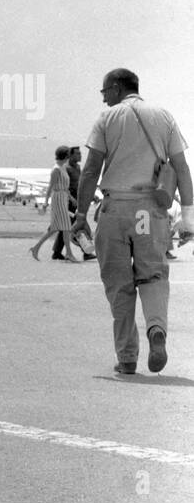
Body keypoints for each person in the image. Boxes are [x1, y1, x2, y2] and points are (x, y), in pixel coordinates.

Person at [74, 68, 194, 375]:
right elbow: (181, 168)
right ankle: (157, 331)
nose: (103, 99)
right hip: (150, 211)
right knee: (154, 276)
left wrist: (80, 216)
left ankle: (127, 357)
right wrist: (188, 217)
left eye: (104, 93)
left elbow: (90, 171)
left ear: (116, 88)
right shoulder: (163, 116)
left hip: (115, 211)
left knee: (119, 285)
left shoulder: (107, 119)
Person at [30, 146, 79, 262]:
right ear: (66, 155)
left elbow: (65, 188)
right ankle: (69, 253)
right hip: (57, 199)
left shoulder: (62, 168)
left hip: (63, 198)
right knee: (65, 226)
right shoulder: (56, 169)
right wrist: (46, 202)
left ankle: (36, 248)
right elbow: (50, 187)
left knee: (56, 228)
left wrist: (71, 198)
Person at [51, 146, 92, 260]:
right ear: (71, 155)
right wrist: (70, 199)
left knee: (67, 227)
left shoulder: (78, 167)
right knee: (78, 226)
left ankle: (57, 252)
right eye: (77, 154)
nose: (80, 156)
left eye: (80, 153)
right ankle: (86, 251)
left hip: (76, 200)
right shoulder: (66, 168)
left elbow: (80, 184)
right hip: (69, 201)